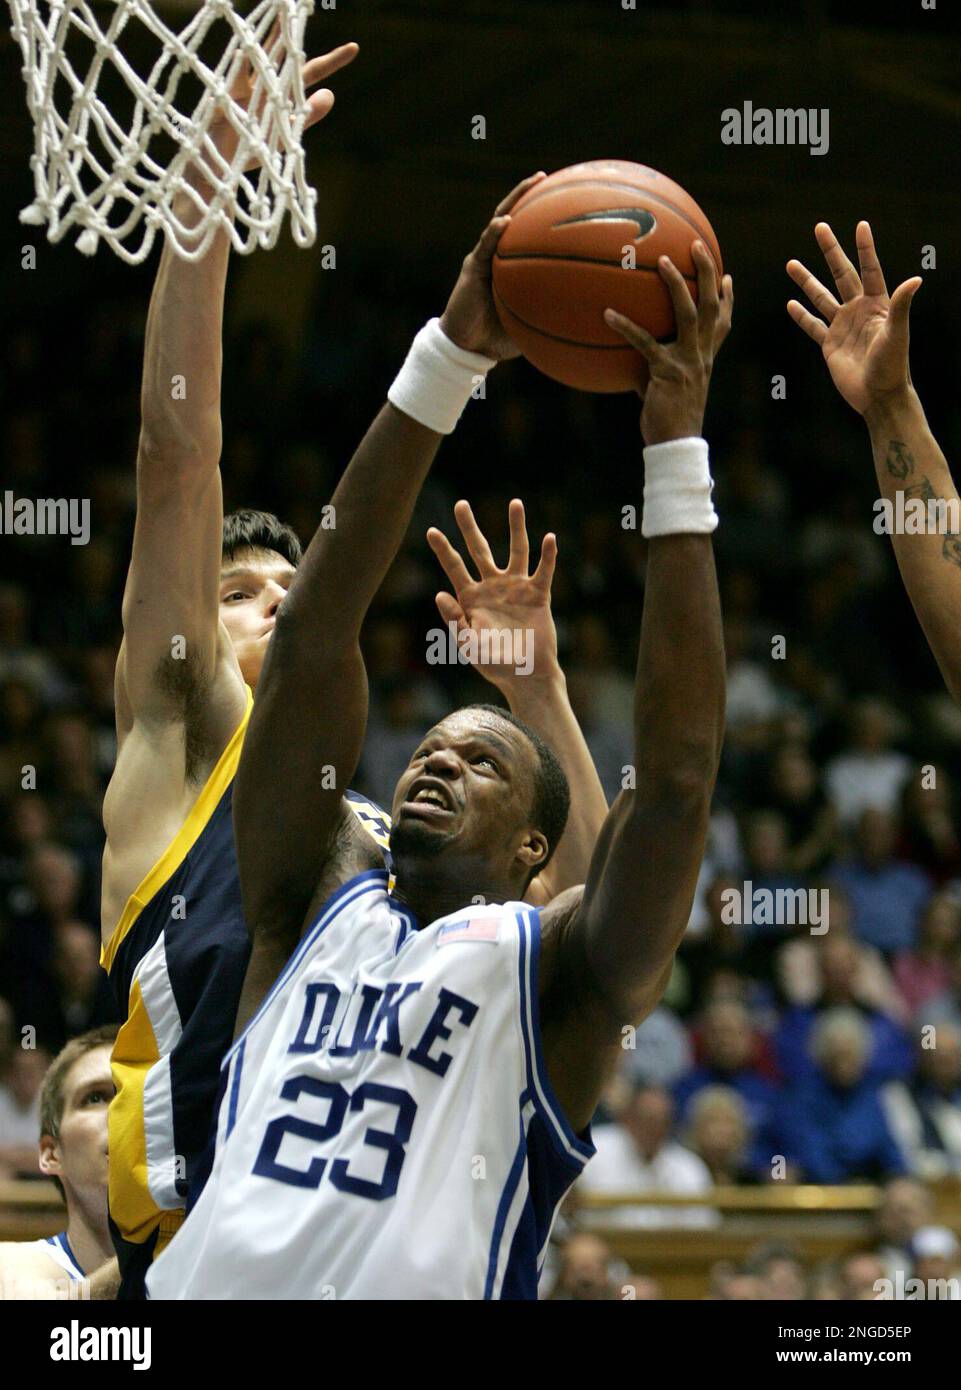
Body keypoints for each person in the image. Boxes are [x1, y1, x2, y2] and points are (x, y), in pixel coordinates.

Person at [147, 216, 733, 1298]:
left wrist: (673, 447)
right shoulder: (306, 902)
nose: (437, 760)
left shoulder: (553, 978)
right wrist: (448, 356)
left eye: (479, 765)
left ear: (529, 849)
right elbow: (312, 642)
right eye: (430, 747)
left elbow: (680, 781)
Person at [102, 49, 608, 1300]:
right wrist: (203, 201)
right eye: (237, 594)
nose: (272, 601)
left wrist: (538, 697)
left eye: (290, 586)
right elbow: (178, 448)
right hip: (184, 1256)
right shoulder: (185, 740)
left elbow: (596, 915)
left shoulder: (392, 854)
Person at [0, 1027, 119, 1299]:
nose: (121, 1111)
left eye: (132, 1095)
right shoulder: (11, 1264)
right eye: (96, 1097)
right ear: (52, 1154)